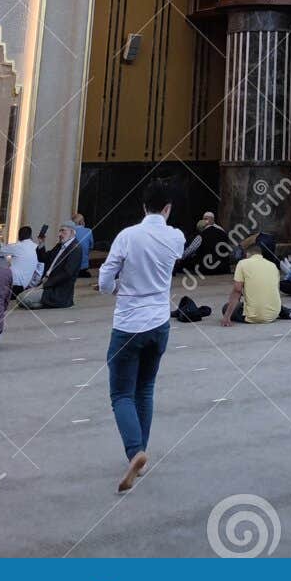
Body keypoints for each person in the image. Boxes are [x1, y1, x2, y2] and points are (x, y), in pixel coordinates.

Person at [99, 178, 185, 493]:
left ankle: (135, 451)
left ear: (143, 206)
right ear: (168, 208)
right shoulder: (176, 236)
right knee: (145, 390)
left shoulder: (128, 236)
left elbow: (106, 275)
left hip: (128, 324)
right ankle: (141, 456)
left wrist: (116, 289)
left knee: (121, 394)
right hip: (159, 323)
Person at [16, 223, 83, 309]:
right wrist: (41, 243)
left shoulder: (76, 248)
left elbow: (67, 273)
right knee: (20, 297)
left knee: (22, 299)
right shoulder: (60, 245)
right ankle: (42, 302)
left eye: (63, 231)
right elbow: (43, 258)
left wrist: (46, 284)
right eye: (59, 231)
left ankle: (49, 303)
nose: (60, 234)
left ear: (72, 233)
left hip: (57, 290)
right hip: (47, 284)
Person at [222, 240, 284, 325]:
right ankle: (286, 312)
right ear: (260, 254)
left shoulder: (242, 263)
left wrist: (227, 316)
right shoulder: (273, 265)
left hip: (254, 316)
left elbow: (237, 290)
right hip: (274, 314)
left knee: (226, 307)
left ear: (247, 254)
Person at [181, 211, 232, 277]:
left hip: (206, 270)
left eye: (205, 219)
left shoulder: (201, 235)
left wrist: (179, 258)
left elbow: (190, 250)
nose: (205, 221)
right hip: (223, 269)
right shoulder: (223, 232)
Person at [1, 226, 39, 296]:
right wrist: (32, 285)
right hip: (26, 286)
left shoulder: (18, 246)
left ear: (19, 236)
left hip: (13, 285)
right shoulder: (37, 248)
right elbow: (39, 271)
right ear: (30, 236)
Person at [72, 212, 94, 279]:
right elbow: (91, 246)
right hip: (84, 264)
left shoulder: (71, 231)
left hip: (72, 264)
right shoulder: (88, 231)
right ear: (82, 222)